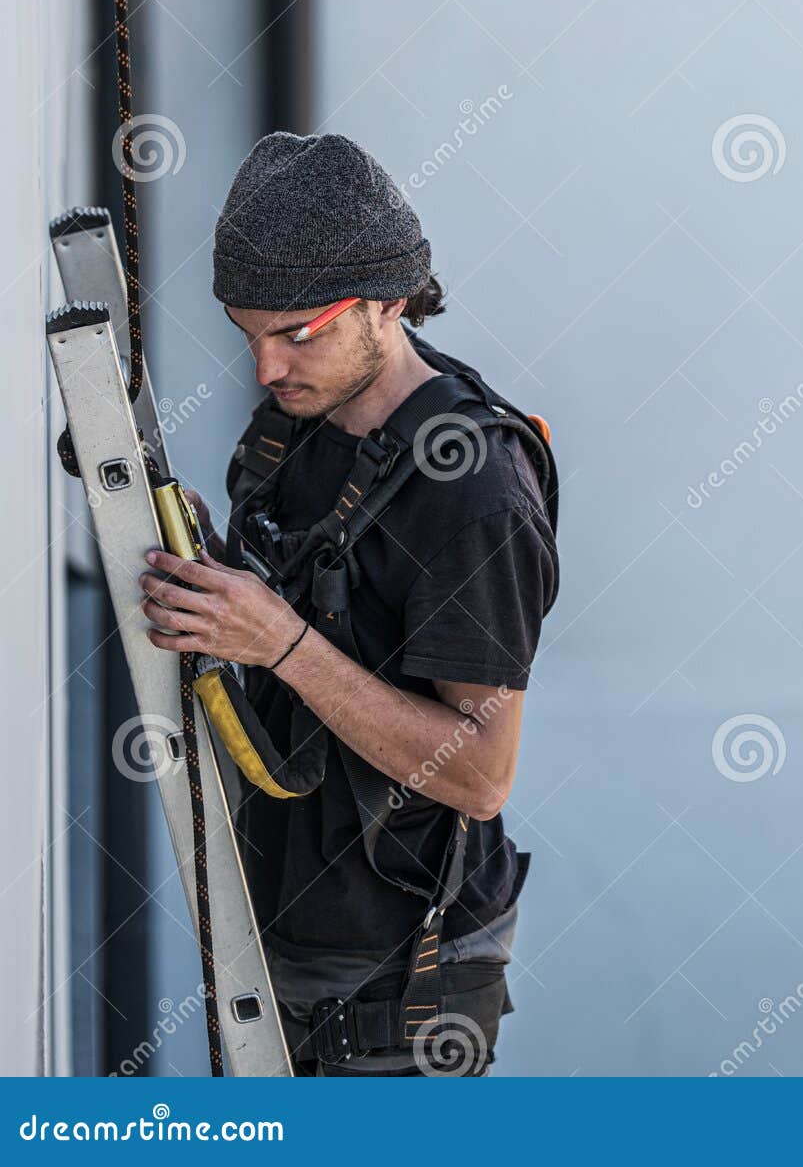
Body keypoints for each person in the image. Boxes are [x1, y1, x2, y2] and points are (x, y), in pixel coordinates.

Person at [137, 131, 559, 1075]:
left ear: (388, 300)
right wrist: (209, 574)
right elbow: (313, 628)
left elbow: (481, 773)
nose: (267, 369)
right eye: (249, 335)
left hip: (404, 980)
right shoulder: (297, 428)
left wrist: (277, 640)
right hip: (284, 927)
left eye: (297, 332)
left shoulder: (473, 491)